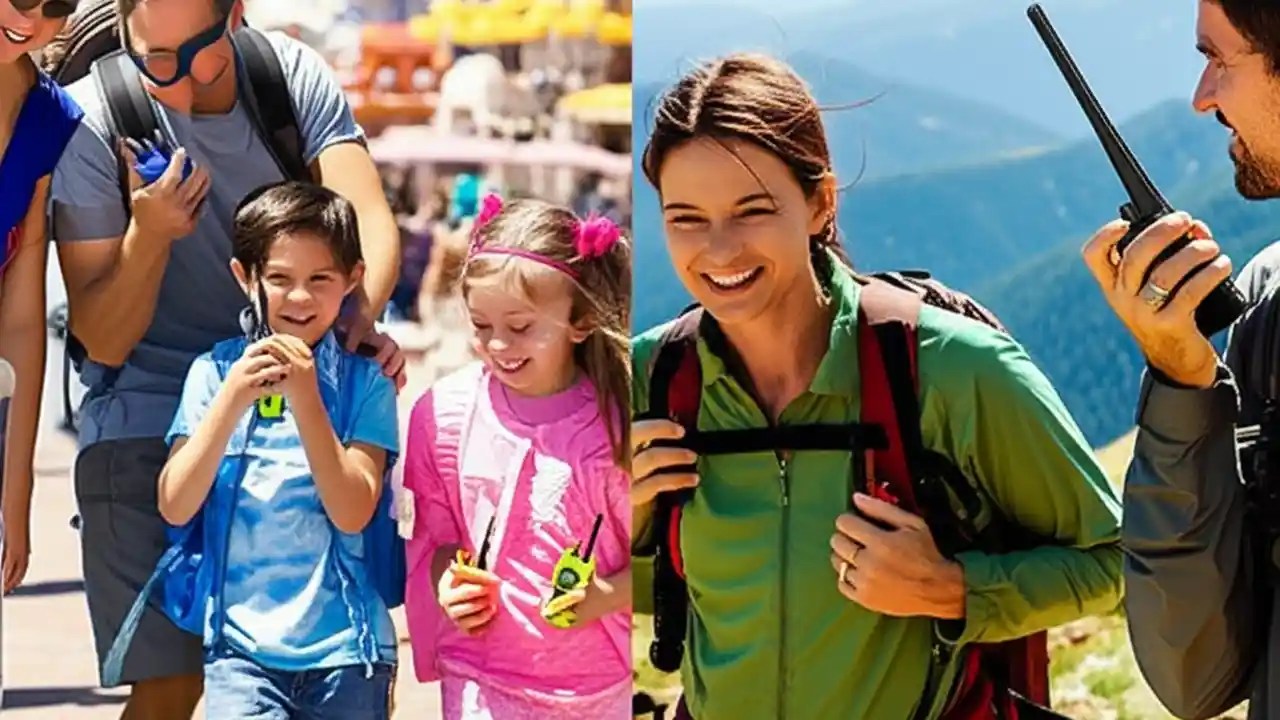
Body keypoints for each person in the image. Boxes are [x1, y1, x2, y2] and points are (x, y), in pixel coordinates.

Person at [630, 53, 1124, 719]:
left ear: (819, 203)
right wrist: (622, 523)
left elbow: (1116, 562)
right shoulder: (652, 381)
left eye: (752, 210)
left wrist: (952, 589)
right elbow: (606, 589)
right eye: (685, 217)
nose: (717, 251)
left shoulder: (953, 368)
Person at [47, 0, 404, 716]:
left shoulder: (286, 75)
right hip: (149, 410)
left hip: (302, 404)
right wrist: (150, 233)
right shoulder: (91, 121)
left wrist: (358, 317)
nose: (176, 84)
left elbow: (367, 221)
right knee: (175, 686)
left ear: (235, 17)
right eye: (155, 61)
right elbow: (102, 336)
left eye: (198, 55)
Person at [1079, 3, 1280, 719]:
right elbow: (1196, 675)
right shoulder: (1267, 306)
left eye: (1220, 59)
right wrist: (1183, 379)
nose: (1201, 98)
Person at [159, 181, 398, 718]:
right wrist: (232, 399)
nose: (299, 297)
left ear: (352, 279)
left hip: (350, 654)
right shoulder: (212, 374)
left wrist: (307, 396)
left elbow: (353, 509)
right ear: (246, 278)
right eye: (280, 279)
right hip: (239, 654)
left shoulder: (368, 383)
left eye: (321, 279)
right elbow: (174, 504)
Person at [401, 193, 632, 718]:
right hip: (479, 679)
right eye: (481, 326)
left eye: (521, 327)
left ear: (581, 320)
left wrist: (606, 595)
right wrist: (448, 587)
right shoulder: (444, 416)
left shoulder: (618, 426)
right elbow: (436, 540)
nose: (498, 344)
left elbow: (664, 554)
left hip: (592, 690)